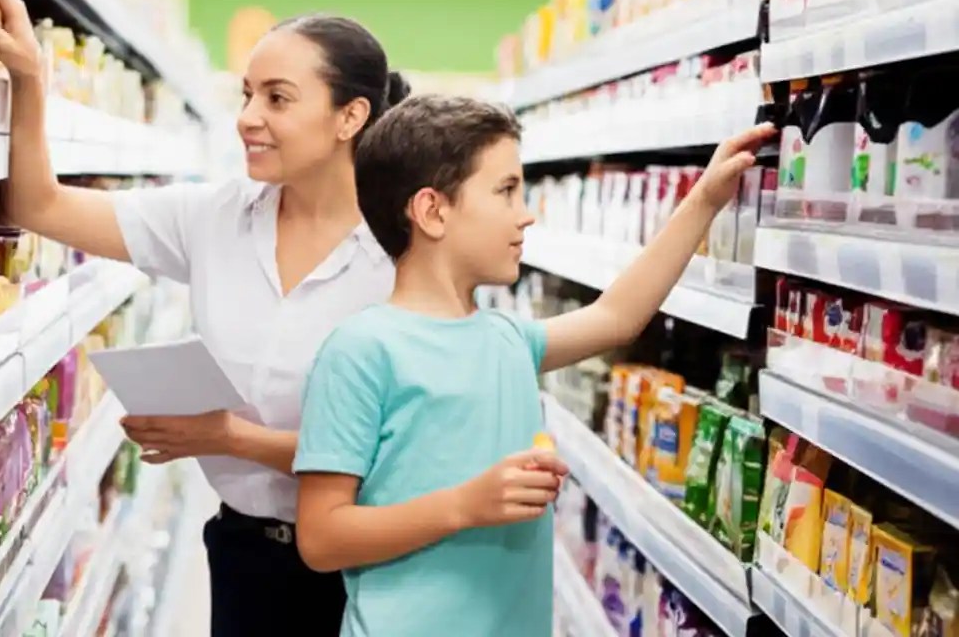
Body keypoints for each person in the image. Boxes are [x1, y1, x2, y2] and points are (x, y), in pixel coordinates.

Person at [0, 0, 408, 636]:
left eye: (278, 99)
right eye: (247, 94)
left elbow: (408, 451)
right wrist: (30, 82)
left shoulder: (404, 254)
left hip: (373, 567)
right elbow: (38, 205)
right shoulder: (215, 218)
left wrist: (232, 438)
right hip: (244, 560)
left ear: (351, 116)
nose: (248, 119)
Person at [293, 95, 775, 637]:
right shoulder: (361, 350)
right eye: (505, 191)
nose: (527, 212)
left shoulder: (507, 338)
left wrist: (704, 200)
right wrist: (463, 505)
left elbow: (617, 317)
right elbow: (321, 537)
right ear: (432, 211)